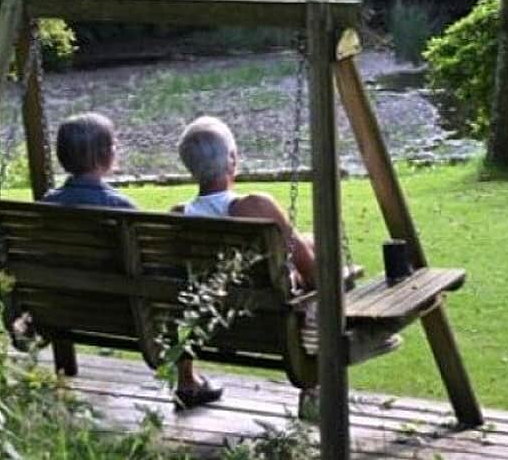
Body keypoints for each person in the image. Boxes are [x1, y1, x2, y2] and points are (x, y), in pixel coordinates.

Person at [41, 113, 218, 409]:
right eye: (113, 144)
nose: (116, 149)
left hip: (64, 308)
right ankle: (188, 381)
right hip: (124, 313)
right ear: (104, 155)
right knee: (175, 290)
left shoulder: (46, 205)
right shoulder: (121, 209)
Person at [170, 116, 319, 409]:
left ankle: (186, 379)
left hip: (211, 322)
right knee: (318, 262)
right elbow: (310, 271)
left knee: (309, 242)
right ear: (233, 160)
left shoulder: (177, 216)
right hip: (268, 319)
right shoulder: (255, 206)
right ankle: (316, 388)